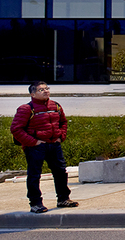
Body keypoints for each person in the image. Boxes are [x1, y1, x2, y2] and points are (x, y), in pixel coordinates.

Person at [10, 82, 76, 213]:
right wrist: (33, 142)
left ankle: (63, 198)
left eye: (47, 89)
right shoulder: (26, 109)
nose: (45, 91)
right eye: (41, 90)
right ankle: (35, 203)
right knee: (34, 175)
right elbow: (16, 129)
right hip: (36, 147)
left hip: (54, 145)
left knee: (61, 172)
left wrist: (60, 137)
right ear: (32, 94)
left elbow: (63, 122)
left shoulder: (55, 106)